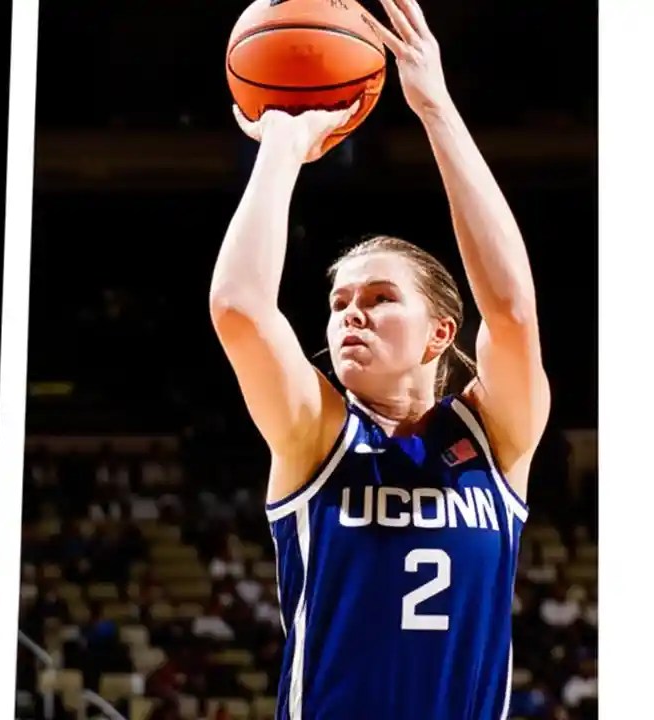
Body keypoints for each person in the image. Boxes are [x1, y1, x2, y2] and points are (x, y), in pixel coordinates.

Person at [208, 1, 549, 718]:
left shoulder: (497, 437)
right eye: (337, 304)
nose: (350, 312)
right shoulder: (316, 435)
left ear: (438, 333)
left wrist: (435, 109)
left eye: (381, 297)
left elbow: (513, 314)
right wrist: (282, 142)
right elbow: (239, 308)